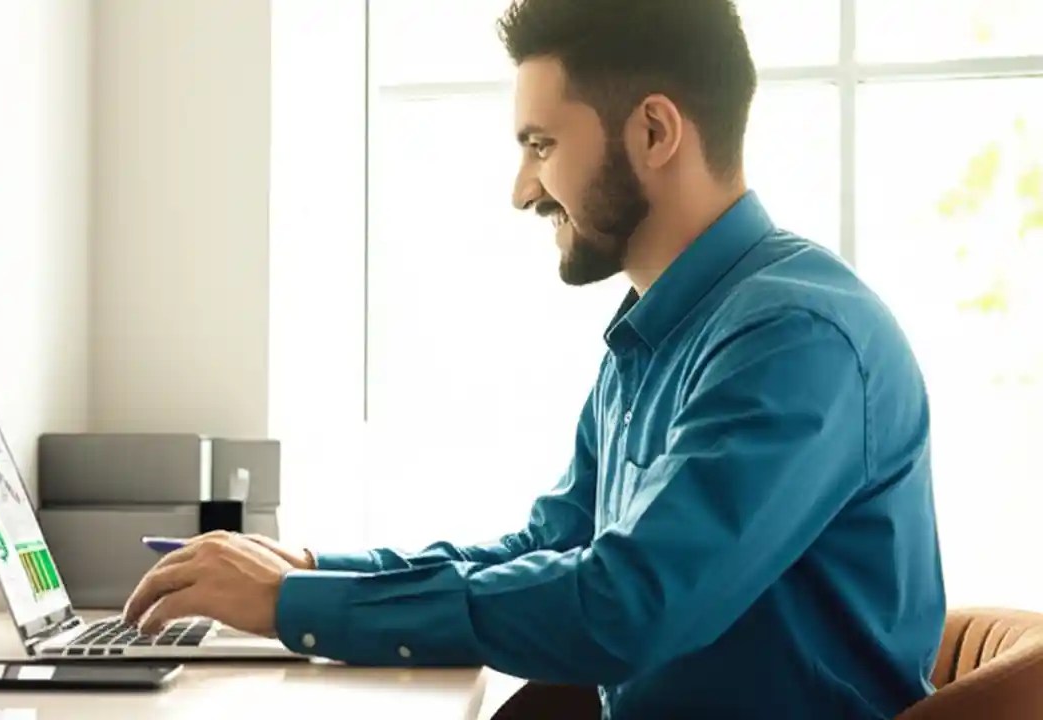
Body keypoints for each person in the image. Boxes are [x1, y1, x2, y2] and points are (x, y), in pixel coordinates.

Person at [122, 0, 946, 717]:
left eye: (541, 144)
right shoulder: (658, 336)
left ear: (654, 131)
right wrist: (309, 570)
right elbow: (548, 548)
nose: (522, 188)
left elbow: (627, 604)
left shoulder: (795, 338)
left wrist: (298, 605)